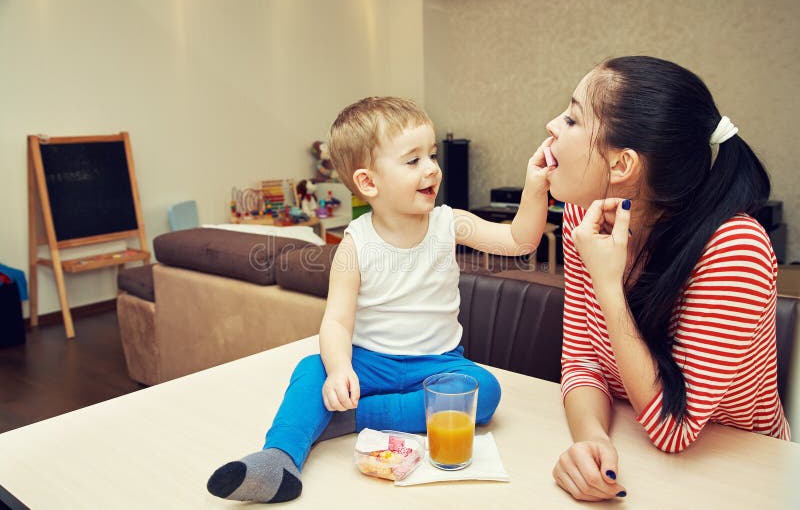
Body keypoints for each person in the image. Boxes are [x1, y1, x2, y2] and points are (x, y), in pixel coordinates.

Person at [206, 96, 553, 503]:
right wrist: (339, 370)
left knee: (485, 390)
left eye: (432, 155)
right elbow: (336, 322)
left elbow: (518, 240)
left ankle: (348, 418)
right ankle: (278, 458)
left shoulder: (449, 222)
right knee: (310, 370)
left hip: (438, 364)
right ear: (369, 183)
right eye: (413, 160)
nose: (432, 168)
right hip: (370, 362)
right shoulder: (355, 244)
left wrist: (535, 187)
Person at [545, 56, 790, 502]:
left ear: (622, 165)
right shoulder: (585, 216)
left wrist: (608, 286)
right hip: (637, 448)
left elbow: (675, 428)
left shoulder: (736, 249)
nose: (552, 126)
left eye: (572, 119)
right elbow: (582, 361)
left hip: (742, 471)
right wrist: (592, 438)